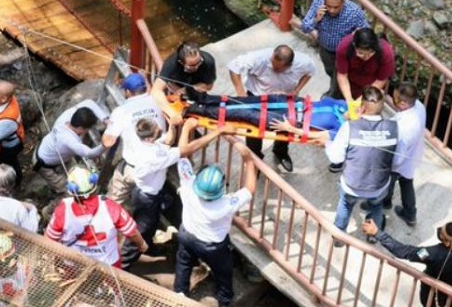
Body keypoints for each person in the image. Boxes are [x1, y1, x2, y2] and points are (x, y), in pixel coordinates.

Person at [121, 117, 230, 270]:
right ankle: (122, 265)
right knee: (142, 230)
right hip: (147, 198)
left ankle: (148, 248)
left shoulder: (147, 145)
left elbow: (166, 142)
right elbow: (187, 148)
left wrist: (172, 126)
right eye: (158, 128)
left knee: (150, 226)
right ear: (153, 134)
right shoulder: (154, 157)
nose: (160, 128)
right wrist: (215, 132)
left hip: (149, 194)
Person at [173, 142, 257, 307]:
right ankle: (224, 300)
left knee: (183, 263)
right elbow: (250, 189)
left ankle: (180, 293)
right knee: (223, 271)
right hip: (212, 247)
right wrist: (249, 159)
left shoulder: (188, 185)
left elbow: (182, 155)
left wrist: (187, 128)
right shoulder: (226, 204)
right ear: (221, 189)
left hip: (186, 234)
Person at [362, 219, 452, 307]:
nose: (440, 232)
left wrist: (377, 233)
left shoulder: (431, 253)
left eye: (441, 233)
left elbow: (404, 251)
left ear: (447, 243)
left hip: (434, 294)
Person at [325, 86, 397, 243]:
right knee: (376, 207)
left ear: (362, 107)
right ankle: (373, 236)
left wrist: (327, 143)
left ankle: (339, 236)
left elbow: (335, 158)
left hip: (352, 184)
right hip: (379, 185)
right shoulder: (394, 128)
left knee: (345, 205)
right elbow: (396, 159)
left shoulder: (350, 127)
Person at [228, 44, 316, 172]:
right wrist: (241, 94)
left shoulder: (303, 62)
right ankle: (255, 158)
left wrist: (297, 89)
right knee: (254, 130)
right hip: (258, 97)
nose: (274, 68)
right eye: (273, 65)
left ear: (289, 66)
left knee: (286, 126)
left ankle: (281, 152)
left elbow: (310, 72)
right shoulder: (259, 58)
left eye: (278, 68)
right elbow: (233, 67)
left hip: (283, 99)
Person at [44, 165, 148, 268]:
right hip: (108, 264)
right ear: (94, 186)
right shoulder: (109, 206)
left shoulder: (63, 210)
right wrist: (142, 245)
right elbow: (131, 232)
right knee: (112, 285)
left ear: (71, 190)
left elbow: (50, 239)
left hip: (73, 264)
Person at [183, 93, 349, 145]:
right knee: (244, 101)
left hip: (289, 122)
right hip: (294, 104)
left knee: (244, 113)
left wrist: (291, 130)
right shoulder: (343, 105)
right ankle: (203, 99)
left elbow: (319, 137)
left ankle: (198, 109)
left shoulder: (343, 129)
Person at [102, 73, 166, 206]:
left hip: (135, 168)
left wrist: (110, 127)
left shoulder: (121, 111)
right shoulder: (157, 101)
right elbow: (150, 93)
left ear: (127, 92)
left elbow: (108, 142)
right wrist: (146, 78)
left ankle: (109, 216)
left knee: (112, 202)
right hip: (159, 167)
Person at [300, 0, 370, 96]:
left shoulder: (353, 11)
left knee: (338, 77)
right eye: (329, 6)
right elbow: (304, 27)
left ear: (343, 3)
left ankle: (333, 96)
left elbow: (366, 29)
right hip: (325, 48)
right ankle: (337, 91)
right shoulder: (318, 3)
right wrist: (316, 19)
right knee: (330, 72)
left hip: (344, 52)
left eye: (336, 7)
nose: (332, 10)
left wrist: (356, 35)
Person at [35, 99, 109, 195]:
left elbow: (89, 103)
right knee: (68, 193)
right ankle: (49, 209)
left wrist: (105, 119)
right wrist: (105, 145)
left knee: (77, 174)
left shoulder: (69, 116)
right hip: (44, 164)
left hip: (54, 152)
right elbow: (89, 153)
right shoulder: (69, 140)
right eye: (87, 129)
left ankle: (56, 187)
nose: (87, 132)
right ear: (80, 129)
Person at [383, 83, 427, 225]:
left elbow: (398, 158)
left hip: (400, 159)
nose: (393, 100)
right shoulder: (419, 106)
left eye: (395, 99)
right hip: (413, 153)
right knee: (407, 182)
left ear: (403, 104)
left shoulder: (404, 126)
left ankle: (384, 202)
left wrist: (389, 166)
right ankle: (410, 214)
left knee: (388, 181)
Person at [152, 41, 217, 125]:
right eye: (192, 65)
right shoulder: (171, 64)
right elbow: (156, 90)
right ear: (181, 63)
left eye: (199, 62)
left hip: (196, 89)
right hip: (174, 88)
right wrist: (172, 114)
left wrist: (187, 90)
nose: (197, 66)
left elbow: (209, 85)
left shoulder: (208, 61)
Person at [335, 27, 395, 103]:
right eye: (361, 53)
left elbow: (381, 80)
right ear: (354, 45)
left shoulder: (386, 53)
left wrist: (360, 100)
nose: (366, 57)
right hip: (348, 83)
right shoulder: (344, 47)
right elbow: (342, 75)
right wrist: (348, 99)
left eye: (371, 52)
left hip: (371, 86)